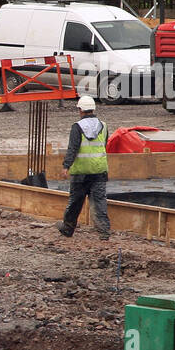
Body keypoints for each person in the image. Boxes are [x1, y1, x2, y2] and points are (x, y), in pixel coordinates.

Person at [56, 95, 111, 241]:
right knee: (99, 202)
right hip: (99, 170)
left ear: (80, 110)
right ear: (93, 109)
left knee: (75, 202)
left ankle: (67, 229)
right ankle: (104, 232)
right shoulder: (103, 126)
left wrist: (66, 166)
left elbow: (72, 148)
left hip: (80, 172)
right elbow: (104, 145)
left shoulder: (77, 127)